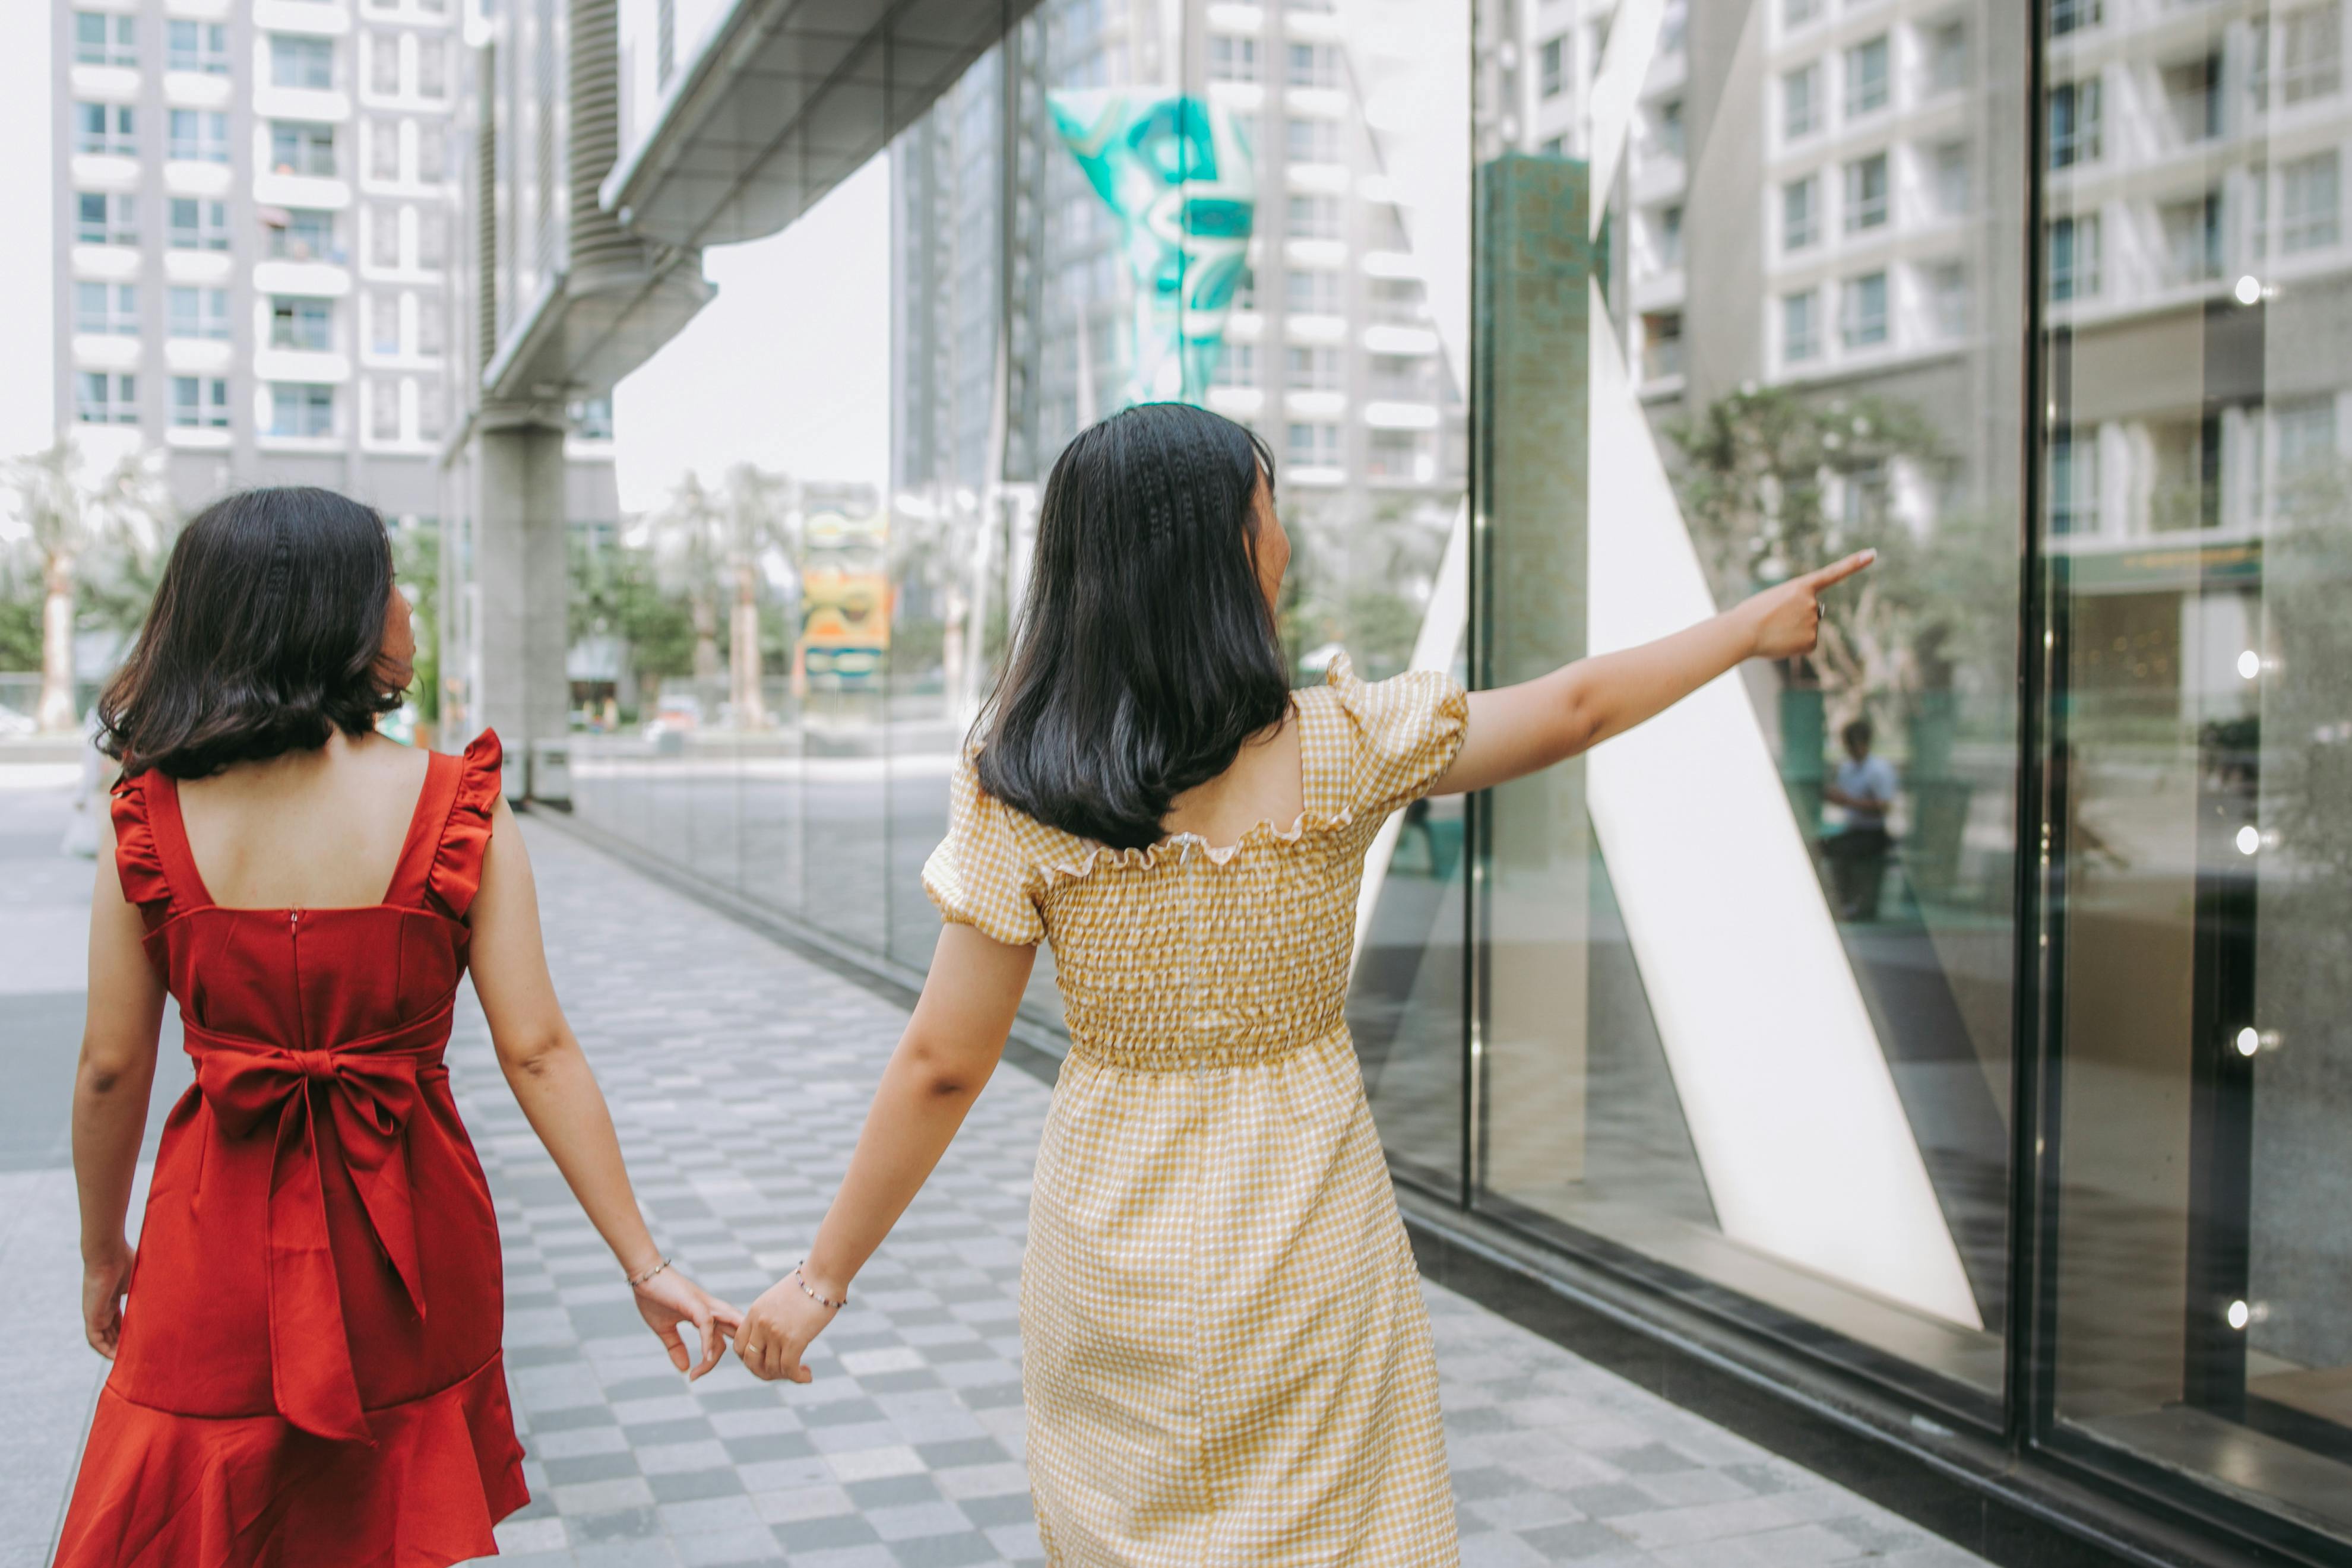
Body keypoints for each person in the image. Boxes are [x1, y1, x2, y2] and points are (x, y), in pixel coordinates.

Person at [727, 404, 1870, 1565]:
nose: (1286, 536)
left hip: (1113, 1242)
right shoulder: (1346, 745)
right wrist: (1747, 628)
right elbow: (1576, 707)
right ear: (1230, 551)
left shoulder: (1023, 786)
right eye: (1268, 509)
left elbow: (943, 1064)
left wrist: (819, 1281)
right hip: (1311, 1231)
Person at [56, 487, 741, 1568]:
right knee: (388, 1522)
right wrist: (642, 1260)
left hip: (210, 1239)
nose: (408, 599)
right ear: (331, 611)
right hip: (410, 1238)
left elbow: (110, 1067)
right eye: (388, 578)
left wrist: (105, 1251)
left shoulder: (147, 810)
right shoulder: (455, 801)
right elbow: (537, 1050)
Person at [1822, 715, 1898, 920]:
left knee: (1844, 852)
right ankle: (1841, 900)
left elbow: (1884, 808)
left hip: (1873, 832)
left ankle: (1852, 903)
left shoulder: (1879, 770)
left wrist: (1849, 802)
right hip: (1853, 828)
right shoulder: (1847, 768)